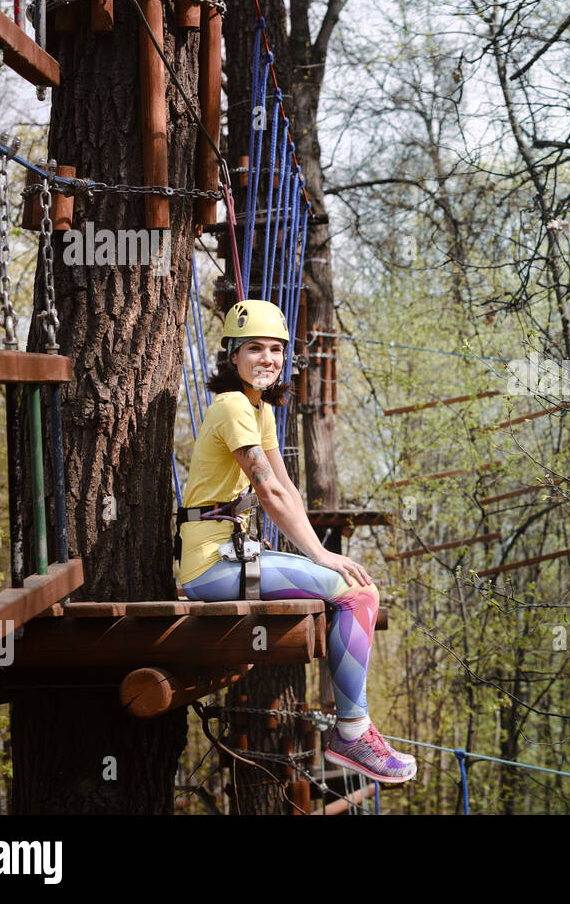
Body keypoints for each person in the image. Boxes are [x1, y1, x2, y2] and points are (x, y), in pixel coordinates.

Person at [175, 299, 416, 784]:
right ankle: (352, 732)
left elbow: (284, 489)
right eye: (254, 349)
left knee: (352, 589)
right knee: (356, 594)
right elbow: (265, 490)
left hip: (232, 557)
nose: (267, 358)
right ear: (232, 356)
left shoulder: (256, 409)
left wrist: (317, 553)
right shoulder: (230, 407)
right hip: (210, 567)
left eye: (276, 350)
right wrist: (320, 553)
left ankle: (354, 728)